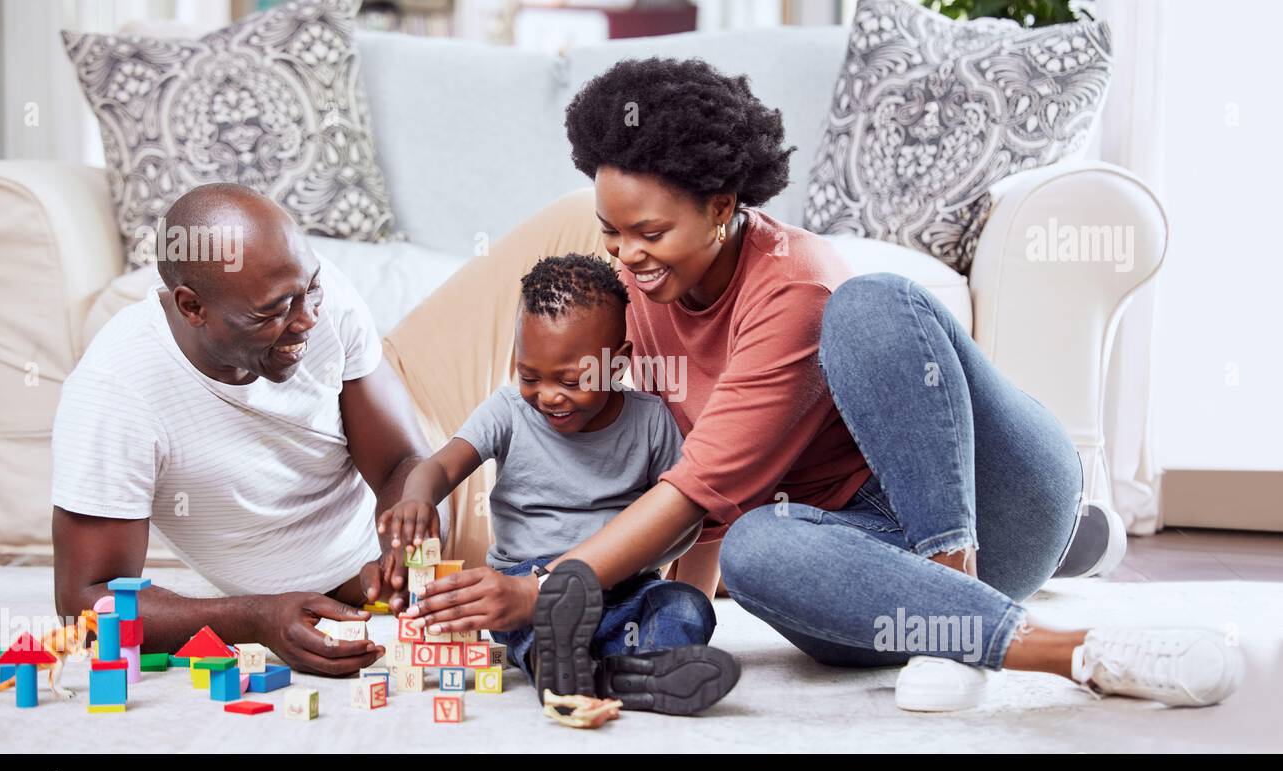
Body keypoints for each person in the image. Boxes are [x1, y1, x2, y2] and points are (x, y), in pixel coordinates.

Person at [391, 58, 1243, 710]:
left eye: (649, 232)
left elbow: (695, 490)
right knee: (762, 541)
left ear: (723, 205)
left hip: (990, 497)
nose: (625, 255)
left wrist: (546, 587)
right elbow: (709, 506)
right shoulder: (630, 296)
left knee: (873, 306)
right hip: (856, 563)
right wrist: (667, 623)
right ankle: (1055, 561)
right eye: (611, 233)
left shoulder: (795, 288)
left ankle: (1031, 624)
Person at [51, 183, 436, 676]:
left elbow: (404, 462)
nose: (308, 320)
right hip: (395, 551)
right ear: (193, 307)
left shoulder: (316, 295)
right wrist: (254, 619)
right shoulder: (115, 392)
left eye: (310, 290)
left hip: (448, 466)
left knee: (566, 223)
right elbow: (85, 604)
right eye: (274, 312)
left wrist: (408, 550)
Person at [374, 254, 738, 714]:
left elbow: (682, 516)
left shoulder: (650, 422)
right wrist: (417, 496)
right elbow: (440, 467)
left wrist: (638, 564)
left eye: (571, 380)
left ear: (617, 364)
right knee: (540, 624)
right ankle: (559, 665)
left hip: (624, 584)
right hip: (525, 586)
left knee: (685, 605)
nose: (548, 396)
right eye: (530, 375)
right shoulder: (508, 412)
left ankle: (641, 671)